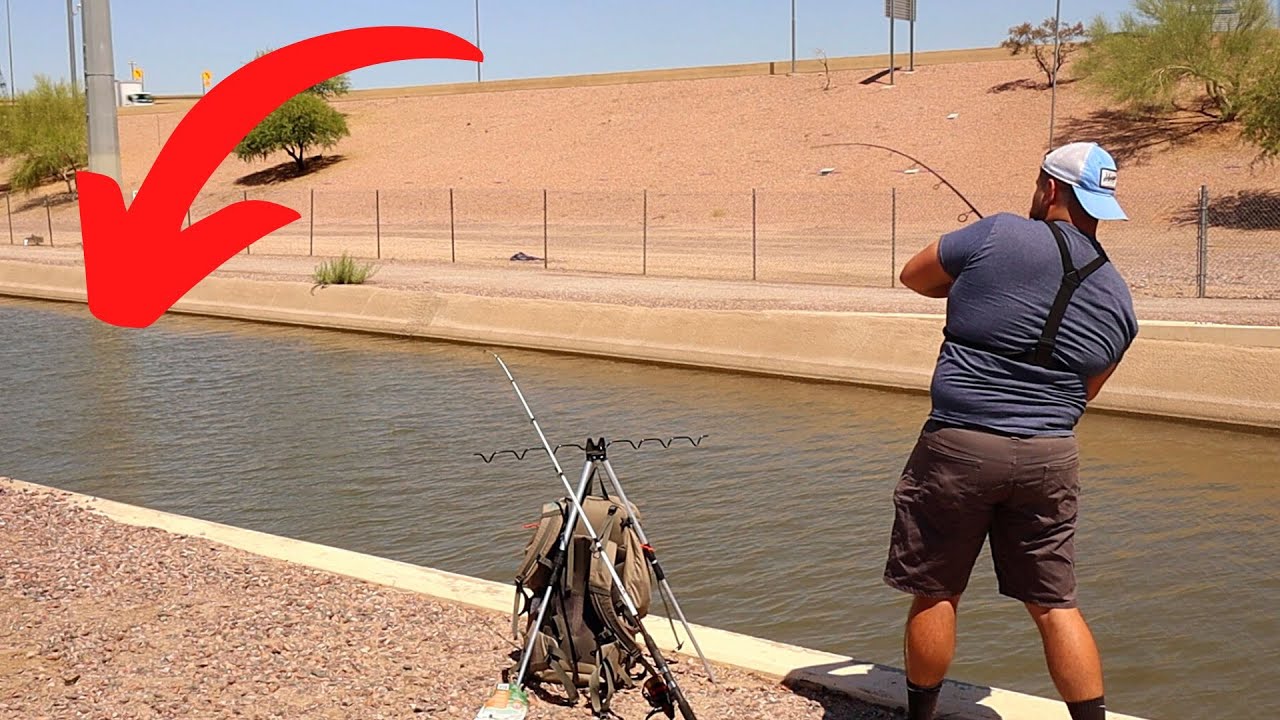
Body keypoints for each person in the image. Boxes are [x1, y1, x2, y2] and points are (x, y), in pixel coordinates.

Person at [884, 141, 1139, 720]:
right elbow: (1085, 392)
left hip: (959, 447)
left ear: (1049, 188)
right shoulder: (1120, 301)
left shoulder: (996, 233)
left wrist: (976, 284)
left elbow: (914, 276)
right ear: (1101, 205)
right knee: (1054, 604)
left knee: (938, 589)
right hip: (1051, 457)